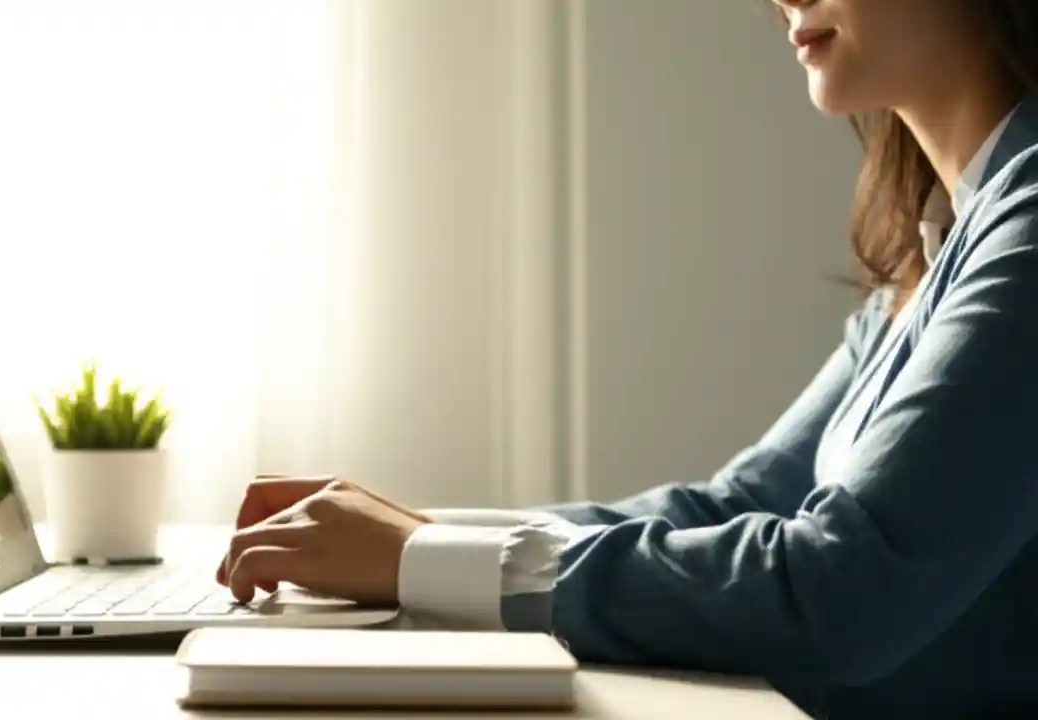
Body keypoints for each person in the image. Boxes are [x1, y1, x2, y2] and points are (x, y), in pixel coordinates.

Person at [215, 0, 1038, 716]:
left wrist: (418, 560)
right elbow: (736, 503)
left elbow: (839, 592)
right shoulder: (941, 241)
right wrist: (411, 536)